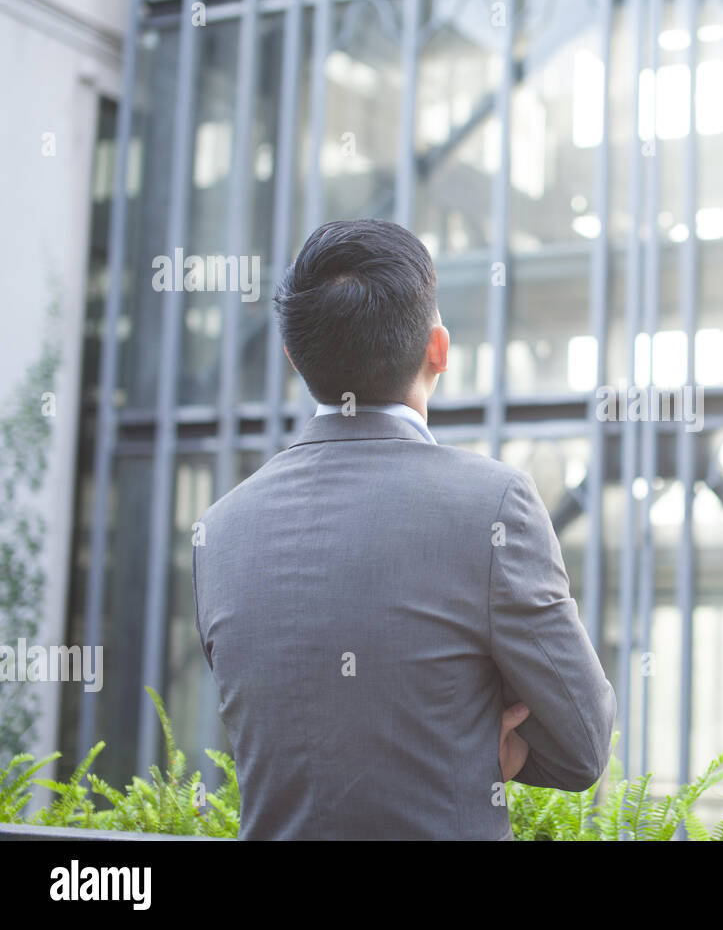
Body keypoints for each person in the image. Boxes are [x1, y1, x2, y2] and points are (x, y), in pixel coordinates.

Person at [192, 218, 616, 839]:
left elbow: (300, 718)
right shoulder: (494, 505)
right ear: (438, 350)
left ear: (294, 359)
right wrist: (473, 748)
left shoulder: (219, 531)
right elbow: (582, 744)